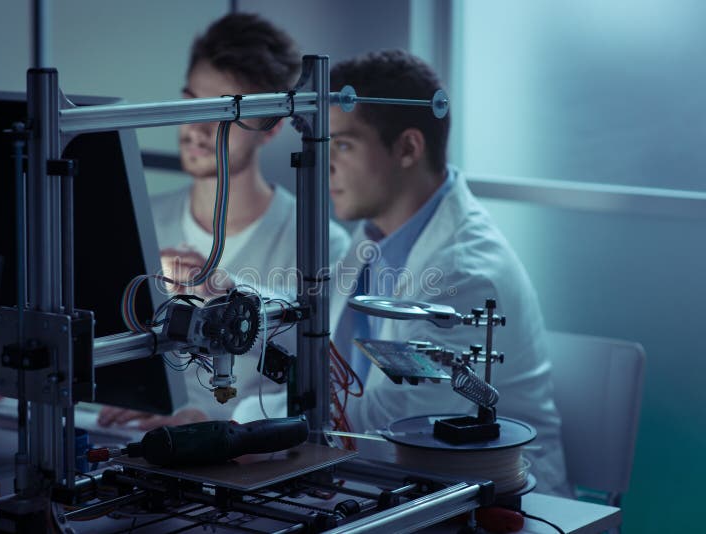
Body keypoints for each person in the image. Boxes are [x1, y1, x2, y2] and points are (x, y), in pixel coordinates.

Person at [234, 49, 569, 496]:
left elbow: (387, 418)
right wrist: (225, 294)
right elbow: (320, 330)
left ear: (408, 148)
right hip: (400, 482)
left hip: (503, 503)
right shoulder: (381, 236)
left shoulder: (465, 274)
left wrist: (235, 427)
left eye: (344, 145)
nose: (324, 163)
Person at [97, 13, 350, 430]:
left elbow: (329, 387)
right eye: (191, 100)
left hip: (246, 457)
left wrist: (205, 422)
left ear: (270, 128)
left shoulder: (319, 244)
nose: (195, 128)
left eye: (220, 113)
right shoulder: (140, 223)